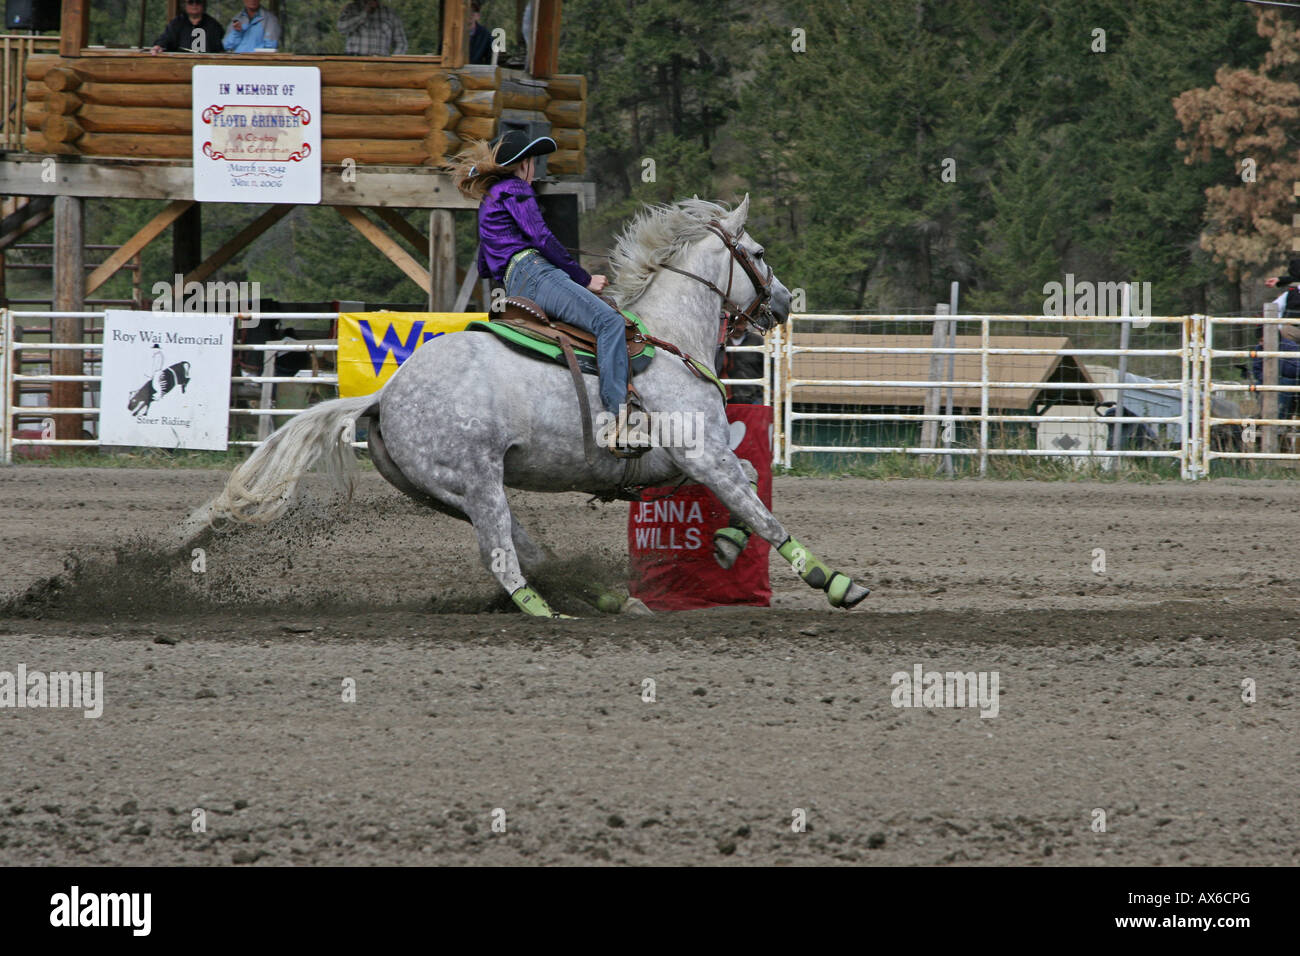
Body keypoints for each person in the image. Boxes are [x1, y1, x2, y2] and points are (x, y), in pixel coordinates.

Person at [448, 130, 642, 454]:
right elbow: (542, 237)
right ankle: (618, 421)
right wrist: (583, 279)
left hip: (513, 283)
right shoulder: (515, 189)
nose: (535, 169)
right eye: (533, 161)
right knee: (609, 323)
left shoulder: (490, 197)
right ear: (523, 164)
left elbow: (485, 263)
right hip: (534, 273)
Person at [150, 0, 225, 55]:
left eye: (198, 2)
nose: (194, 5)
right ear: (185, 5)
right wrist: (158, 46)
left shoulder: (213, 25)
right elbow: (166, 38)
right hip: (179, 65)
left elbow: (218, 49)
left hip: (205, 66)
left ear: (202, 4)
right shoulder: (176, 23)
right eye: (191, 2)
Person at [337, 0, 409, 56]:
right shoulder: (351, 9)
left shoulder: (390, 13)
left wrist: (392, 63)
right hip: (354, 61)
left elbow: (402, 43)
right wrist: (364, 13)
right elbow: (341, 28)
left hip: (380, 64)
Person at [718, 321, 765, 404]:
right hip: (727, 397)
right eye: (735, 323)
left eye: (741, 323)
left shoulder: (758, 341)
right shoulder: (720, 341)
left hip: (754, 395)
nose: (738, 327)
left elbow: (770, 366)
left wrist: (771, 386)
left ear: (746, 324)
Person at [469, 1, 493, 65]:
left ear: (478, 16)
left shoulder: (486, 35)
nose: (469, 14)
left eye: (472, 11)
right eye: (466, 11)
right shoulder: (450, 34)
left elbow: (490, 60)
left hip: (478, 73)